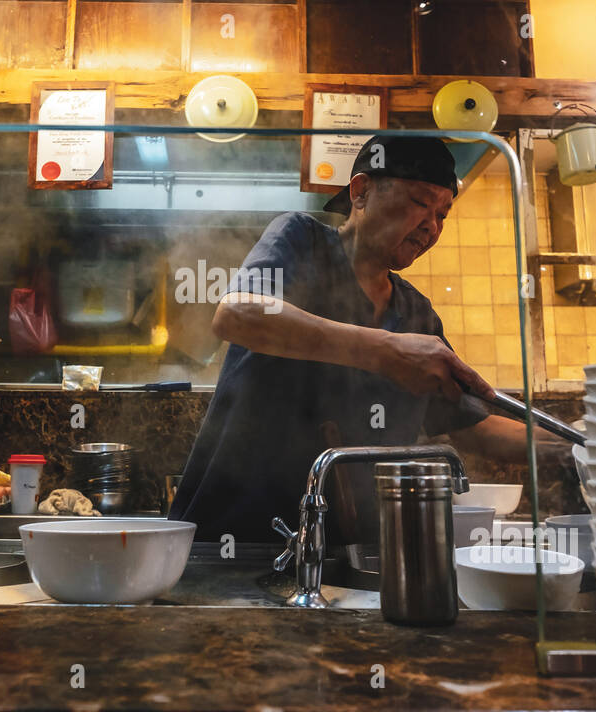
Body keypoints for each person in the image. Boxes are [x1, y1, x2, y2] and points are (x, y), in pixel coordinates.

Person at [168, 135, 571, 543]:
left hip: (351, 550)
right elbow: (237, 314)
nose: (432, 226)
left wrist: (582, 445)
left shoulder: (416, 313)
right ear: (360, 192)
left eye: (443, 214)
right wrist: (386, 351)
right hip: (237, 537)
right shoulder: (301, 241)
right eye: (420, 202)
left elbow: (472, 425)